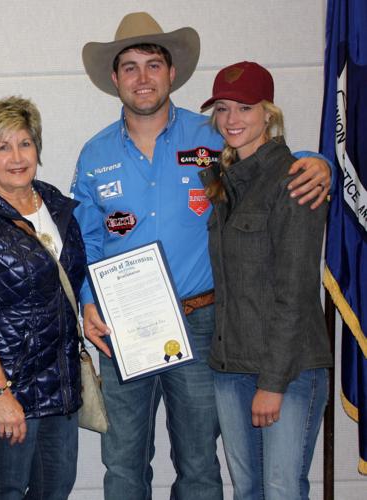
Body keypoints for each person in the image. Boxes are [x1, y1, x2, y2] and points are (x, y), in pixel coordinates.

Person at [73, 12, 332, 500]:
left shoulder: (213, 137)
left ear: (172, 73)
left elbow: (268, 166)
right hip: (123, 327)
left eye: (153, 65)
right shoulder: (94, 155)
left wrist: (319, 163)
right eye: (130, 67)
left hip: (201, 322)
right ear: (115, 78)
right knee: (122, 464)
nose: (143, 77)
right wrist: (88, 301)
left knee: (198, 464)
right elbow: (86, 239)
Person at [200, 61, 332, 500]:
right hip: (231, 366)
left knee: (281, 491)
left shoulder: (294, 180)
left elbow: (294, 293)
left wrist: (272, 383)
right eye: (223, 108)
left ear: (268, 114)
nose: (231, 119)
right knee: (248, 491)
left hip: (287, 370)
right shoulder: (225, 182)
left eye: (244, 108)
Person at [0, 96, 86, 499]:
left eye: (25, 143)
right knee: (7, 491)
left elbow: (71, 282)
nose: (17, 157)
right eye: (2, 147)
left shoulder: (56, 207)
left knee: (55, 489)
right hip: (6, 387)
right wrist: (0, 395)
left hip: (59, 385)